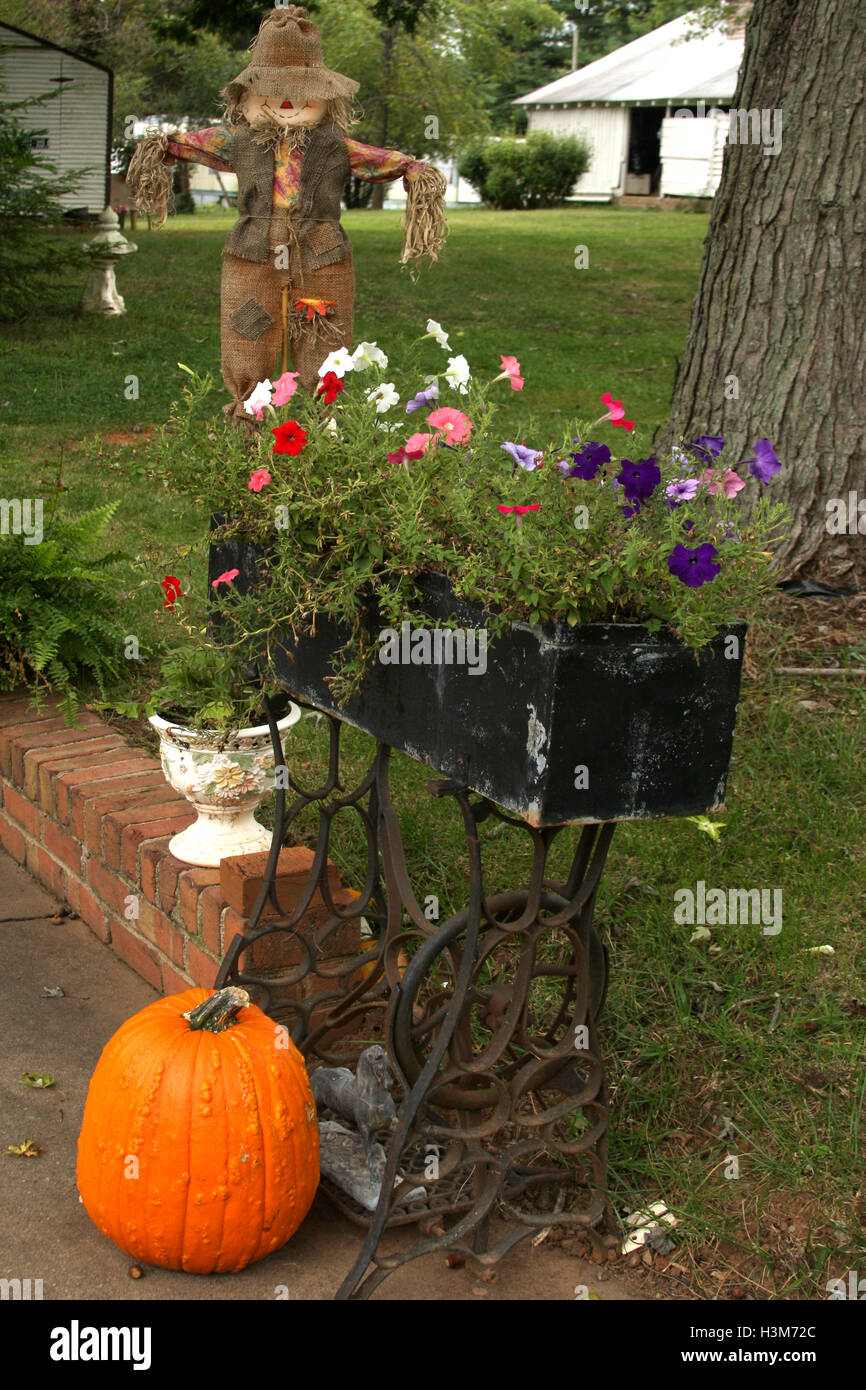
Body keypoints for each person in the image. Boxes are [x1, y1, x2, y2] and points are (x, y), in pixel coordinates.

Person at [127, 4, 448, 422]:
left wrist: (413, 170)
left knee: (323, 329)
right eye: (270, 93)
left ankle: (321, 422)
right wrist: (162, 146)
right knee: (249, 324)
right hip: (253, 249)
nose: (285, 102)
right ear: (244, 99)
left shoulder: (335, 144)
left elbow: (380, 160)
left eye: (300, 94)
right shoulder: (237, 140)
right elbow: (189, 143)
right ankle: (250, 416)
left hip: (322, 250)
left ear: (324, 98)